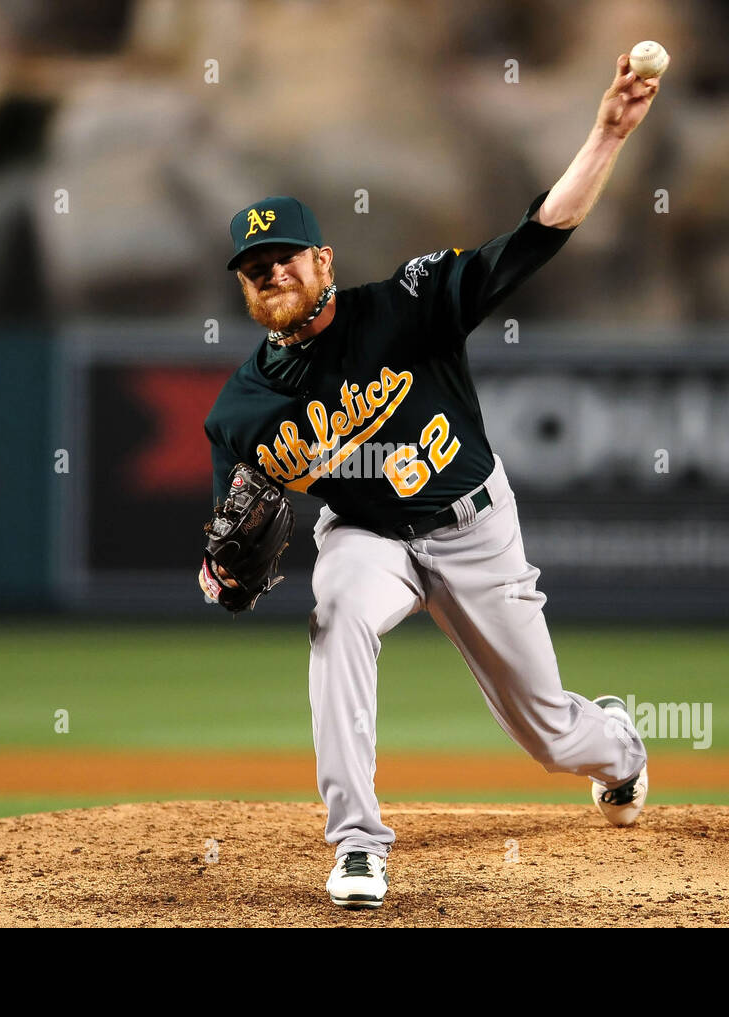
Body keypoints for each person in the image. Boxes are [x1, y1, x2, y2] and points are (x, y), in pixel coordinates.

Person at [202, 53, 665, 909]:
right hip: (367, 536)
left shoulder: (408, 301)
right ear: (243, 285)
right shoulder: (241, 407)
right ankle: (357, 845)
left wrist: (605, 135)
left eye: (286, 256)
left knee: (551, 737)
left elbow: (536, 237)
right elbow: (229, 527)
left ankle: (619, 746)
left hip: (474, 526)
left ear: (323, 259)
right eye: (255, 265)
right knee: (336, 612)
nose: (273, 272)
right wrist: (220, 571)